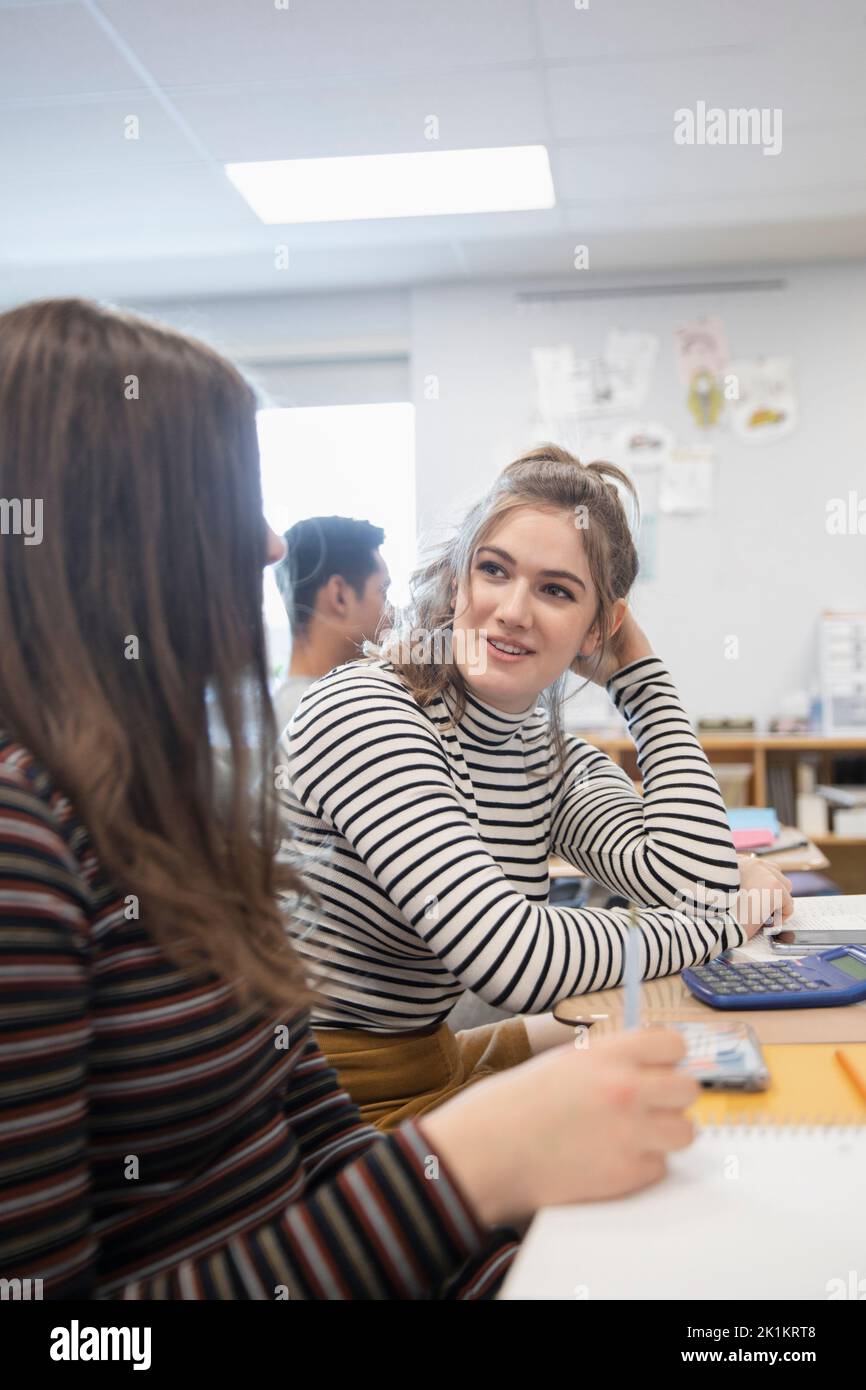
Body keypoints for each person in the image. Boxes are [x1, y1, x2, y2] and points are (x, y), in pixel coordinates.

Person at [0, 298, 712, 1301]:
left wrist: (498, 1262)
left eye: (557, 590)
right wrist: (467, 1169)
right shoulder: (24, 842)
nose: (267, 544)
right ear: (99, 531)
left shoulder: (165, 806)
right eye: (224, 496)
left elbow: (315, 1140)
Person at [277, 445, 794, 1129]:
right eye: (493, 571)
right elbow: (510, 956)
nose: (513, 610)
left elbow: (686, 878)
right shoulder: (366, 713)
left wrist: (642, 680)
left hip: (436, 1062)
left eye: (557, 590)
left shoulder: (541, 753)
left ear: (596, 629)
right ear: (458, 582)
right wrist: (722, 918)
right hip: (328, 1106)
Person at [272, 516, 391, 735]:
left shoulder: (275, 716)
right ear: (340, 596)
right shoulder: (335, 719)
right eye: (383, 592)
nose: (392, 613)